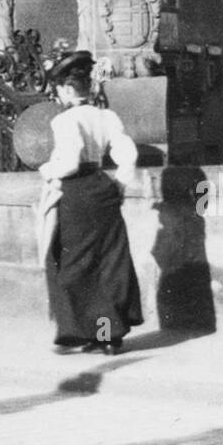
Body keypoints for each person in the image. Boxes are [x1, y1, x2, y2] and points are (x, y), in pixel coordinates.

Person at [37, 51, 144, 355]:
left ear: (67, 89)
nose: (58, 94)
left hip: (76, 193)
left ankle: (85, 333)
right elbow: (127, 153)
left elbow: (69, 161)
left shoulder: (64, 120)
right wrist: (120, 184)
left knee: (74, 266)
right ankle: (107, 336)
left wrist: (47, 170)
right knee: (110, 261)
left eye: (58, 88)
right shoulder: (107, 116)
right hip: (103, 188)